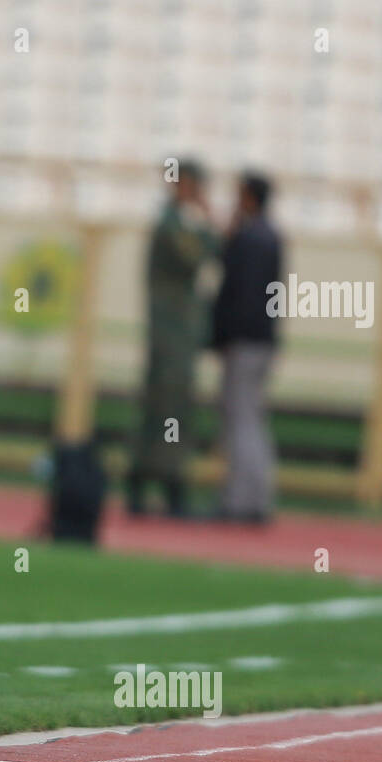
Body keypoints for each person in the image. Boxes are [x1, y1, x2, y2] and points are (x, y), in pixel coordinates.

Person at [126, 159, 220, 518]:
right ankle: (164, 482)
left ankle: (153, 482)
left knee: (166, 410)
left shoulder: (174, 223)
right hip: (170, 335)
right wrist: (209, 222)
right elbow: (200, 255)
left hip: (174, 334)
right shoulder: (171, 225)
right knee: (168, 410)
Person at [210, 171, 282, 523]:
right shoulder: (268, 236)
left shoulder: (251, 238)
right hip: (260, 339)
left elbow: (239, 295)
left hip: (246, 341)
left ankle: (242, 501)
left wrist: (222, 336)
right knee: (251, 418)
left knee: (241, 420)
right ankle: (255, 496)